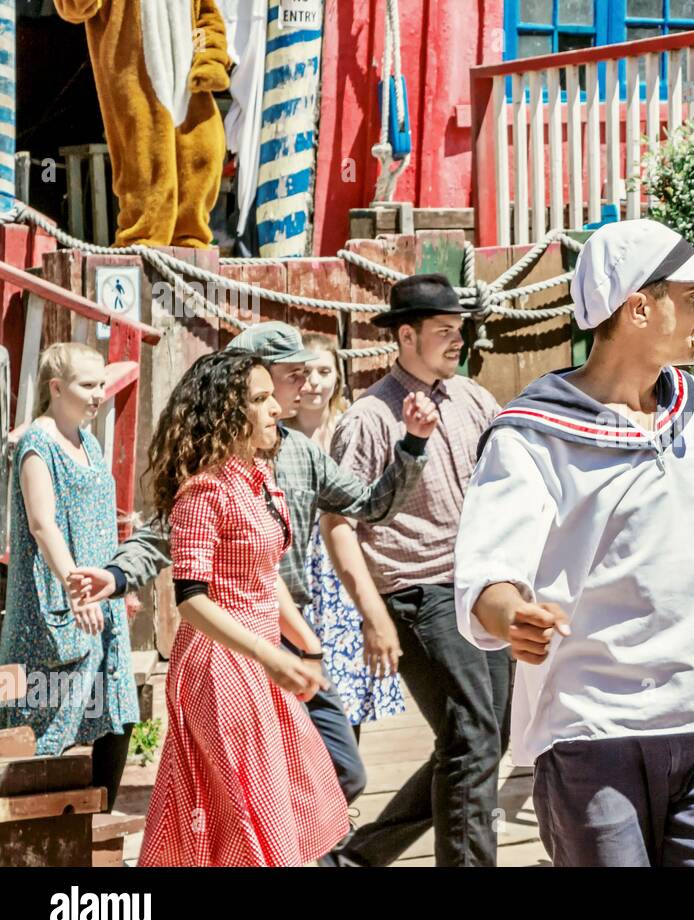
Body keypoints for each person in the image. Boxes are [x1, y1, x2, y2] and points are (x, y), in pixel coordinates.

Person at [455, 221, 694, 868]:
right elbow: (489, 571)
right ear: (638, 307)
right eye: (693, 297)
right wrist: (512, 615)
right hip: (592, 735)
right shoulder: (529, 437)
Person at [69, 322, 436, 814]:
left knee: (338, 775)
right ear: (245, 384)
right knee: (254, 801)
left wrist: (412, 444)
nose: (305, 386)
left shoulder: (296, 453)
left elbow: (370, 506)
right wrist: (115, 576)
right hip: (232, 647)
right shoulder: (207, 476)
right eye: (292, 375)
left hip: (288, 632)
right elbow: (163, 542)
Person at [321, 275, 510, 867]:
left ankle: (352, 862)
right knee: (474, 739)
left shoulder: (475, 399)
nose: (458, 341)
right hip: (417, 595)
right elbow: (337, 525)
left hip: (479, 590)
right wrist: (373, 615)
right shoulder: (369, 419)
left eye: (461, 329)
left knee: (478, 742)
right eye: (444, 331)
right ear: (406, 336)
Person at [136, 350, 347, 866]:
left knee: (285, 802)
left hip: (259, 659)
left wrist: (308, 646)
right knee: (246, 812)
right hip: (220, 667)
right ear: (227, 414)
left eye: (271, 396)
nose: (277, 407)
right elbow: (191, 600)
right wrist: (269, 655)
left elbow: (263, 577)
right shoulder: (203, 493)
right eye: (260, 399)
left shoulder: (256, 479)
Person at [0, 343, 137, 810]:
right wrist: (75, 588)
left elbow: (99, 519)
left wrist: (117, 582)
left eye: (101, 384)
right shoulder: (37, 445)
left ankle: (95, 839)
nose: (99, 394)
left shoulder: (89, 442)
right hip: (51, 611)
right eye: (88, 385)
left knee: (116, 718)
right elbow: (43, 525)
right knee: (37, 732)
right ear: (56, 388)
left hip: (101, 606)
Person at [289, 333, 404, 730]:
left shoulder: (348, 426)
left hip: (340, 562)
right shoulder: (279, 434)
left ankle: (346, 752)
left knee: (346, 666)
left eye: (325, 372)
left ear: (339, 377)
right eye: (305, 373)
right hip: (297, 563)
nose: (315, 382)